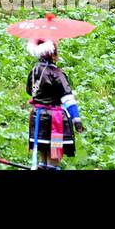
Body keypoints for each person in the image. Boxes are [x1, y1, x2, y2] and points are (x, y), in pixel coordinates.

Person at [26, 38, 84, 170]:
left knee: (43, 152)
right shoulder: (57, 73)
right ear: (53, 54)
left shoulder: (34, 71)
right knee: (54, 153)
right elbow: (68, 98)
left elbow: (30, 91)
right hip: (55, 121)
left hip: (37, 117)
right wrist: (77, 120)